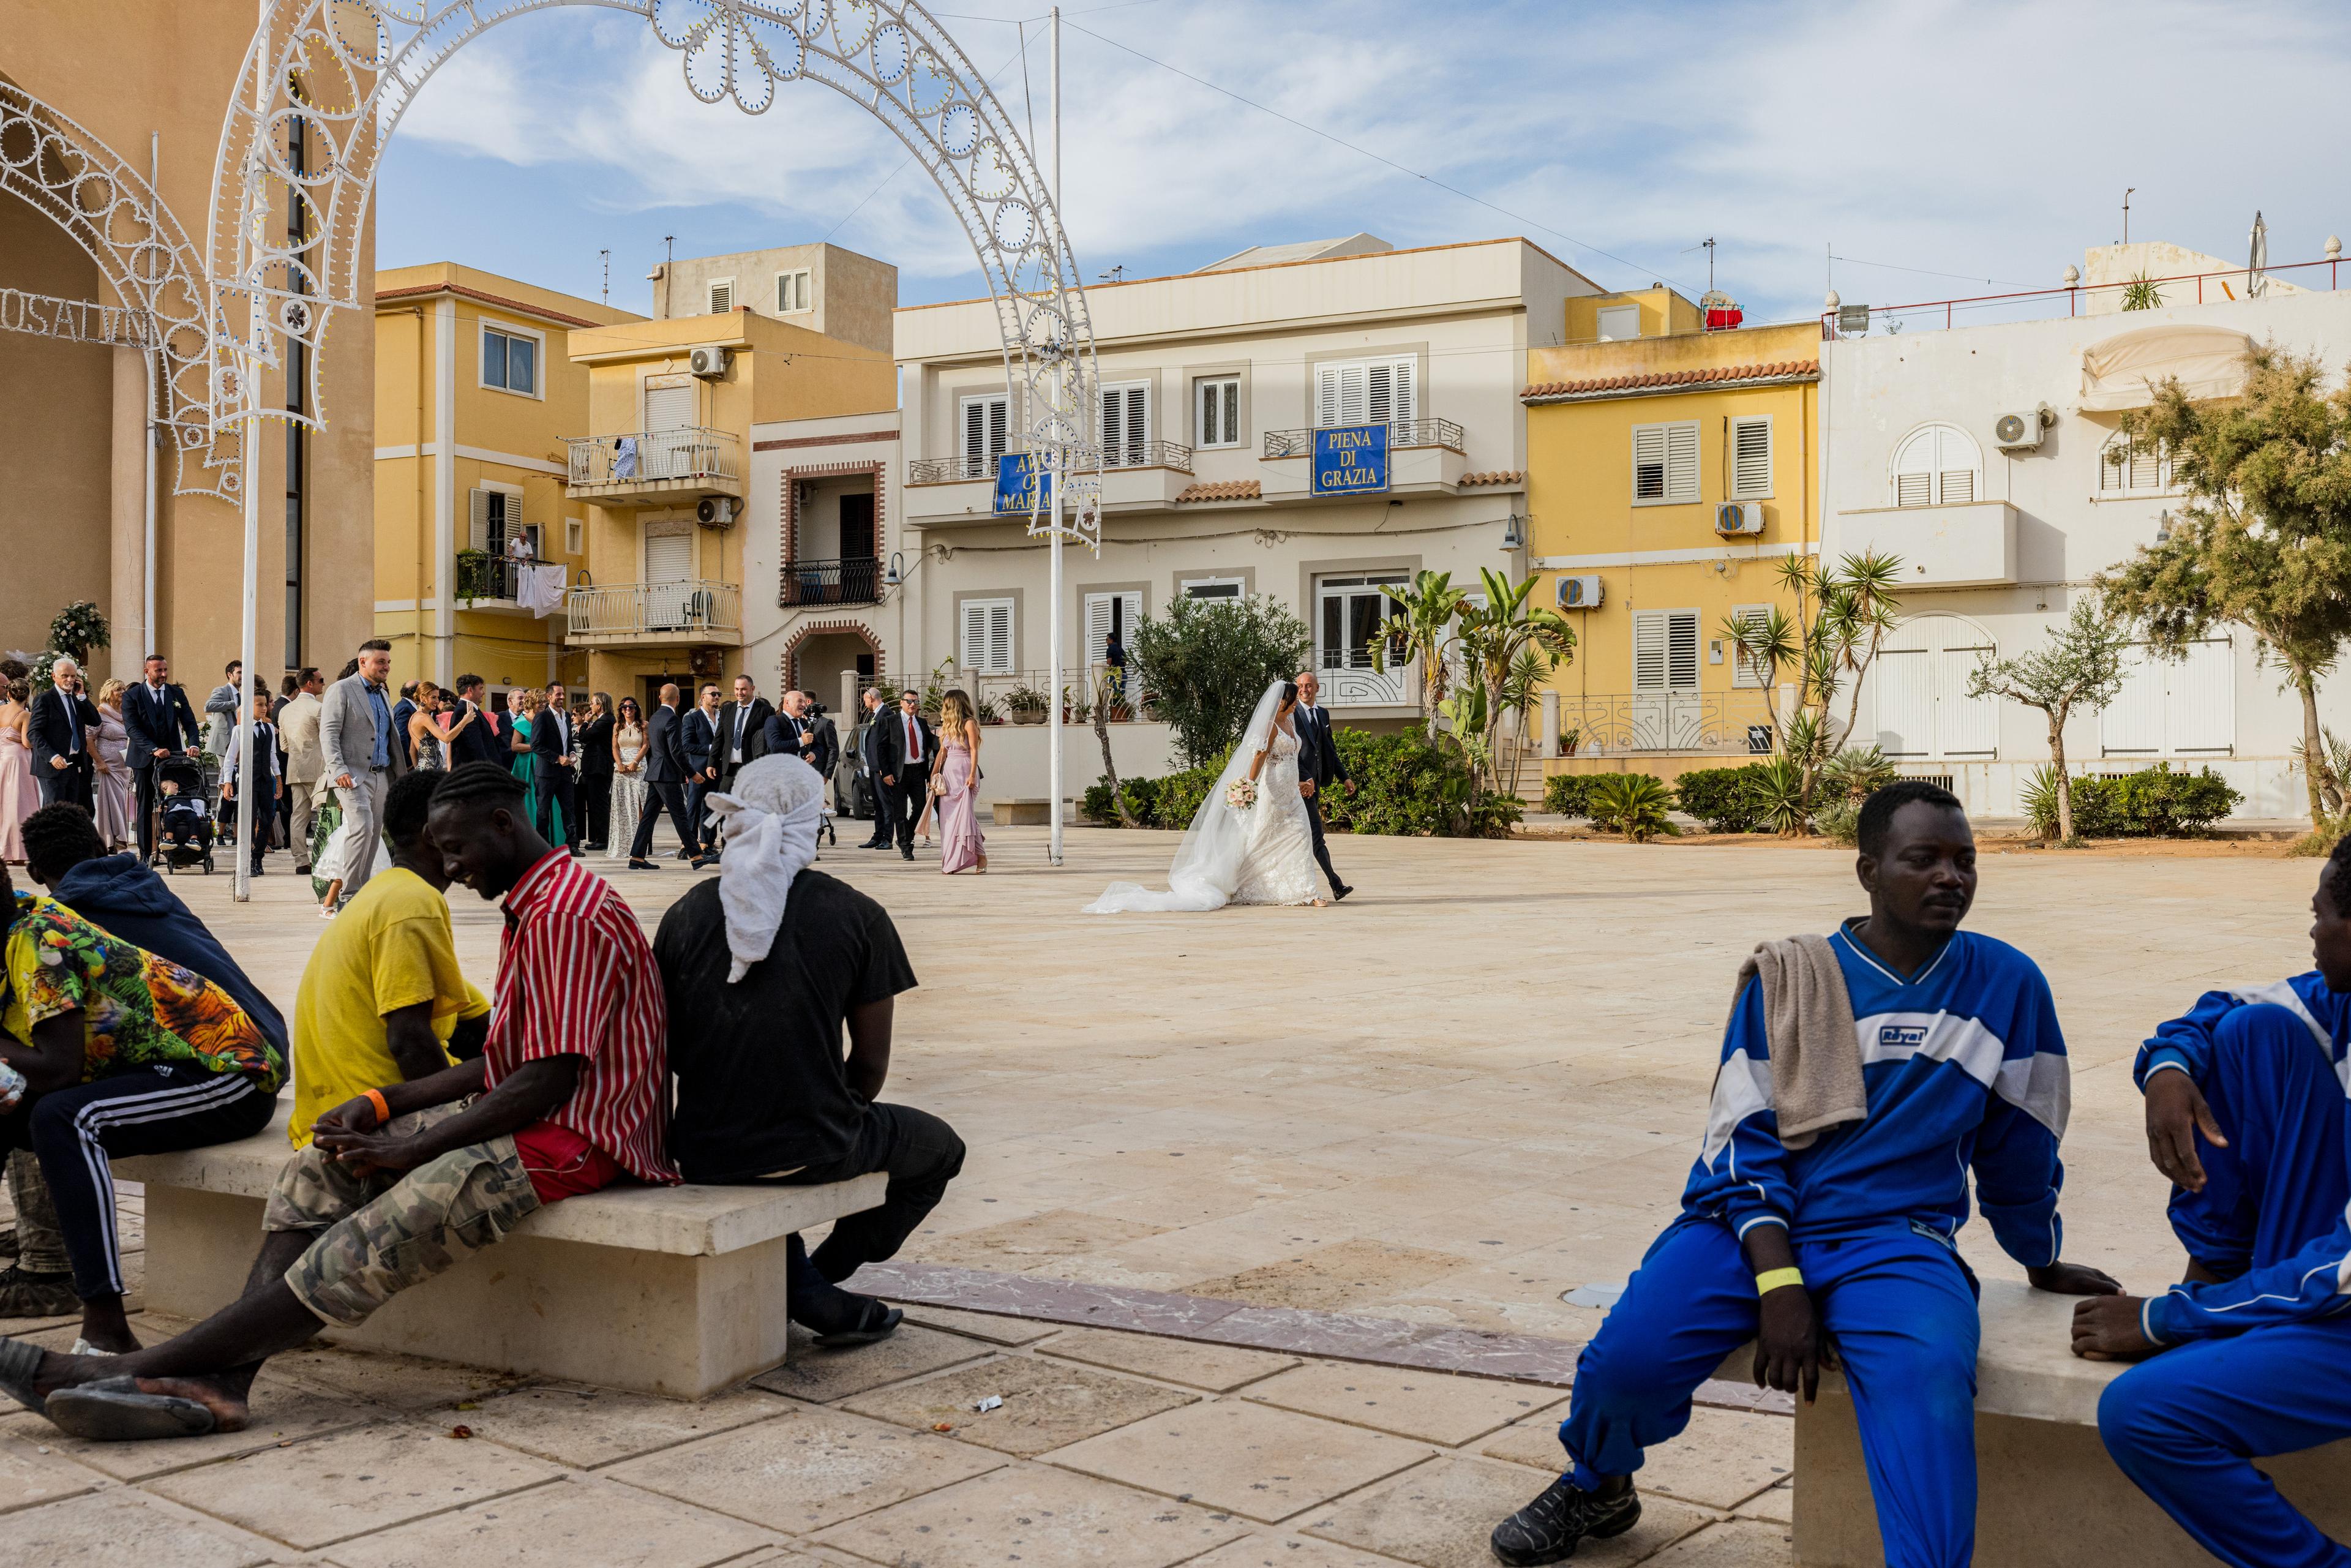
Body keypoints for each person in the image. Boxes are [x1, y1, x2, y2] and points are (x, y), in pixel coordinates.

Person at [1485, 782, 2118, 1567]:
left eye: (1965, 860)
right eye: (1923, 859)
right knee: (1628, 1362)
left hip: (1897, 1235)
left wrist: (2038, 1252)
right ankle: (1599, 1483)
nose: (1951, 877)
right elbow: (1738, 1140)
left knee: (1927, 1384)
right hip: (1745, 1226)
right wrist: (1779, 1281)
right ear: (1869, 869)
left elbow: (2023, 1140)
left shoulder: (2007, 982)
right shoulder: (1788, 978)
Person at [0, 762, 677, 1441]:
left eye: (458, 848)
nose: (451, 866)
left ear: (504, 824)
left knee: (381, 1226)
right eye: (441, 850)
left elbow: (546, 1080)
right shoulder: (534, 904)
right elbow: (499, 1062)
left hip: (578, 1138)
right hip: (535, 1110)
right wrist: (383, 1105)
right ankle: (224, 1380)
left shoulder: (563, 911)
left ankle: (107, 1370)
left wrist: (413, 1146)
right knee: (319, 1169)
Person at [2072, 840, 2351, 1568]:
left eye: (2320, 913)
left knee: (2144, 1412)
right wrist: (2168, 1068)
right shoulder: (2339, 1000)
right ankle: (2220, 1274)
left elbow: (2345, 1269)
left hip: (2343, 1296)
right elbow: (2223, 1005)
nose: (2312, 930)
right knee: (2249, 1032)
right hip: (2323, 1280)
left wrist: (2166, 1319)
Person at [658, 755, 958, 1342]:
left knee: (767, 1149)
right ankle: (820, 1278)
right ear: (810, 816)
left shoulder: (686, 915)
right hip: (815, 1145)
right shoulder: (857, 914)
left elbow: (665, 1050)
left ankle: (804, 1284)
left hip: (701, 1148)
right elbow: (868, 1069)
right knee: (941, 1150)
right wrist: (817, 1107)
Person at [3, 804, 288, 1321]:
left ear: (34, 872)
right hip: (257, 1031)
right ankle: (51, 1236)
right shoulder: (142, 885)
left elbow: (57, 1060)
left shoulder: (56, 924)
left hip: (225, 1057)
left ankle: (46, 1262)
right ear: (100, 847)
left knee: (49, 1099)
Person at [288, 770, 489, 1149]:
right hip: (366, 1125)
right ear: (435, 835)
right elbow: (409, 1041)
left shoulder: (383, 892)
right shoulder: (413, 904)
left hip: (328, 1114)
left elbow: (482, 1022)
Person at [1086, 679, 1322, 912]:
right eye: (1291, 701)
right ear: (1282, 702)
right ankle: (1247, 883)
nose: (1295, 705)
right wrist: (1248, 785)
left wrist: (1303, 779)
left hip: (1292, 791)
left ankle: (1308, 890)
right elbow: (1260, 757)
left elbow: (1291, 758)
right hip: (1273, 790)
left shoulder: (1291, 722)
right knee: (1262, 839)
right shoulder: (1270, 726)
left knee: (1301, 835)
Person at [318, 639, 407, 909]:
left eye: (388, 662)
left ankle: (362, 890)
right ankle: (349, 896)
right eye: (381, 662)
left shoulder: (382, 694)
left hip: (381, 775)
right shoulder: (341, 690)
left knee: (374, 832)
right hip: (351, 775)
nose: (387, 667)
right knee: (362, 828)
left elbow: (387, 737)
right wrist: (339, 769)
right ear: (363, 662)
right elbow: (329, 733)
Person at [122, 656, 203, 866]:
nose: (164, 674)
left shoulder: (176, 693)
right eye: (159, 670)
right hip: (144, 759)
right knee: (146, 804)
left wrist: (194, 744)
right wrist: (154, 749)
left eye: (166, 670)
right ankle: (146, 853)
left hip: (172, 759)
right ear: (146, 671)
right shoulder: (133, 696)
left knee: (173, 803)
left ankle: (175, 851)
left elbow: (190, 722)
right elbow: (132, 729)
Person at [1292, 669, 1354, 902]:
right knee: (1316, 835)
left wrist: (1344, 777)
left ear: (1317, 688)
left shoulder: (1323, 714)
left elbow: (1329, 750)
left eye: (1309, 686)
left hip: (1316, 785)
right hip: (1299, 786)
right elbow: (1293, 753)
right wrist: (1305, 777)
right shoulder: (1291, 715)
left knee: (1306, 836)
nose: (1305, 690)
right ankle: (1335, 884)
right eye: (1300, 686)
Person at [626, 684, 694, 869]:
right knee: (680, 814)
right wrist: (692, 773)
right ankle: (696, 855)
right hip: (667, 775)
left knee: (648, 816)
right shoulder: (672, 719)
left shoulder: (655, 718)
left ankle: (637, 857)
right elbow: (676, 752)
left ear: (660, 698)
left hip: (655, 772)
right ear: (678, 699)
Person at [219, 692, 282, 876]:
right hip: (247, 781)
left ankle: (258, 857)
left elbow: (272, 755)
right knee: (249, 819)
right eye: (259, 705)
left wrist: (278, 779)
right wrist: (227, 782)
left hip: (264, 780)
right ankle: (248, 857)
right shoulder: (240, 730)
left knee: (266, 819)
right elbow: (230, 759)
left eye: (265, 705)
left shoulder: (269, 728)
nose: (264, 708)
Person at [28, 659, 100, 813]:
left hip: (74, 765)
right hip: (53, 766)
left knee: (70, 813)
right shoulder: (45, 699)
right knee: (53, 812)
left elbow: (95, 721)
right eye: (65, 676)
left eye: (73, 676)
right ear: (54, 676)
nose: (70, 680)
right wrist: (53, 757)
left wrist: (82, 696)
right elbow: (34, 733)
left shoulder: (76, 699)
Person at [876, 689, 935, 862]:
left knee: (920, 808)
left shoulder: (922, 723)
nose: (912, 705)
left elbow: (932, 743)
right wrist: (885, 772)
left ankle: (905, 836)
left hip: (918, 771)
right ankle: (906, 847)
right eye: (909, 701)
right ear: (901, 703)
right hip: (898, 773)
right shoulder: (890, 722)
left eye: (915, 702)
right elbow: (881, 748)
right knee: (900, 811)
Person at [507, 691, 567, 853]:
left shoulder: (549, 718)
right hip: (527, 766)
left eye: (544, 701)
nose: (543, 704)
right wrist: (537, 747)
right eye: (539, 702)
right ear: (531, 703)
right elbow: (515, 746)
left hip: (547, 765)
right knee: (531, 801)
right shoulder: (521, 722)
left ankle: (552, 840)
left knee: (549, 803)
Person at [278, 667, 324, 876]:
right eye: (320, 680)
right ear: (309, 684)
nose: (323, 683)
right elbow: (329, 739)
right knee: (327, 813)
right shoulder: (318, 708)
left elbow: (284, 746)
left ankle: (301, 861)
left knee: (299, 816)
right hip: (318, 769)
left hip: (295, 768)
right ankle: (324, 857)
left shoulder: (285, 710)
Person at [935, 689, 986, 876]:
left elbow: (974, 750)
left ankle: (981, 856)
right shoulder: (948, 726)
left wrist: (972, 775)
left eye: (947, 703)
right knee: (948, 821)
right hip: (949, 776)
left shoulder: (969, 724)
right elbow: (942, 753)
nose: (944, 706)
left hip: (964, 772)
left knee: (966, 818)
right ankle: (951, 860)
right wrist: (933, 775)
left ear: (955, 704)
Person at [530, 682, 578, 856]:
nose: (562, 697)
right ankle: (543, 848)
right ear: (549, 697)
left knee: (569, 809)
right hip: (546, 773)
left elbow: (568, 742)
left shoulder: (567, 716)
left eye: (563, 694)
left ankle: (573, 845)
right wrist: (558, 758)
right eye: (558, 695)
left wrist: (572, 754)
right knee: (543, 811)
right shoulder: (542, 717)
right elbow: (535, 745)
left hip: (565, 772)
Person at [88, 681, 136, 853]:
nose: (122, 692)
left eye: (123, 689)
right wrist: (99, 762)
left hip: (125, 764)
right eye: (118, 689)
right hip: (108, 765)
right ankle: (119, 840)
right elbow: (89, 740)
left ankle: (111, 840)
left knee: (120, 801)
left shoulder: (125, 712)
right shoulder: (100, 713)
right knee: (113, 801)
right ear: (108, 693)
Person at [682, 684, 723, 868]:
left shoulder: (722, 717)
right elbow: (687, 745)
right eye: (713, 694)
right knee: (694, 807)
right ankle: (688, 845)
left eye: (718, 694)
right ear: (702, 697)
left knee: (713, 807)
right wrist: (712, 749)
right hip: (699, 769)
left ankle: (707, 842)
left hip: (718, 769)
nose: (716, 697)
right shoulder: (693, 719)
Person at [607, 697, 648, 863]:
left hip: (638, 766)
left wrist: (635, 762)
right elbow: (614, 747)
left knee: (639, 804)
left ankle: (639, 844)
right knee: (622, 804)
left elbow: (646, 745)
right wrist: (619, 763)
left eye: (631, 707)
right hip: (621, 768)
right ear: (621, 710)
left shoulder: (644, 725)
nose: (628, 710)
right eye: (624, 707)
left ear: (636, 709)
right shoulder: (617, 726)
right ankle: (623, 843)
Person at [717, 675, 774, 792]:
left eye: (743, 689)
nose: (739, 693)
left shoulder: (766, 711)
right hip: (729, 769)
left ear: (752, 689)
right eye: (737, 689)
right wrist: (711, 763)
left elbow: (769, 742)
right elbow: (719, 738)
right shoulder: (727, 710)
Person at [405, 680, 472, 774]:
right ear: (422, 697)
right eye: (433, 697)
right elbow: (446, 738)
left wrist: (418, 769)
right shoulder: (425, 718)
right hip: (430, 771)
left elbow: (412, 750)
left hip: (425, 770)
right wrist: (464, 721)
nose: (437, 701)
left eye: (438, 697)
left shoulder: (415, 716)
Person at [576, 692, 614, 852]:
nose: (590, 706)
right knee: (596, 803)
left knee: (599, 804)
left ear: (600, 705)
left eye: (592, 703)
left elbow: (583, 737)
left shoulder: (605, 720)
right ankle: (599, 837)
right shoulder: (603, 720)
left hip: (599, 768)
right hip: (596, 767)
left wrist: (584, 723)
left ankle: (602, 839)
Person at [855, 687, 891, 848]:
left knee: (886, 805)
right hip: (875, 768)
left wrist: (885, 768)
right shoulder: (875, 715)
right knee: (878, 805)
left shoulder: (886, 715)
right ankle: (878, 836)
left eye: (864, 700)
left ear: (870, 698)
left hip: (882, 769)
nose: (864, 703)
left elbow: (887, 744)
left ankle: (887, 838)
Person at [447, 675, 506, 772]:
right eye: (481, 689)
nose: (483, 693)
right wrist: (487, 768)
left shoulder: (470, 708)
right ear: (470, 690)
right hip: (475, 771)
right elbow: (475, 744)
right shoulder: (465, 710)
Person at [0, 680, 31, 865]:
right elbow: (27, 743)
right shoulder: (25, 715)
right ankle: (18, 851)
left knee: (3, 802)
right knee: (19, 803)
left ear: (9, 695)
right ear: (26, 696)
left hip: (2, 757)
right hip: (18, 760)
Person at [202, 661, 241, 759]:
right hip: (224, 742)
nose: (242, 676)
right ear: (230, 675)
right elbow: (208, 706)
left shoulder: (240, 694)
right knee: (225, 773)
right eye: (239, 673)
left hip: (236, 741)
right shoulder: (221, 690)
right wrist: (231, 704)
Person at [389, 682, 419, 771]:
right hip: (408, 764)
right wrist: (408, 762)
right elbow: (402, 736)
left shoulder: (406, 706)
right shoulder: (405, 708)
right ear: (416, 694)